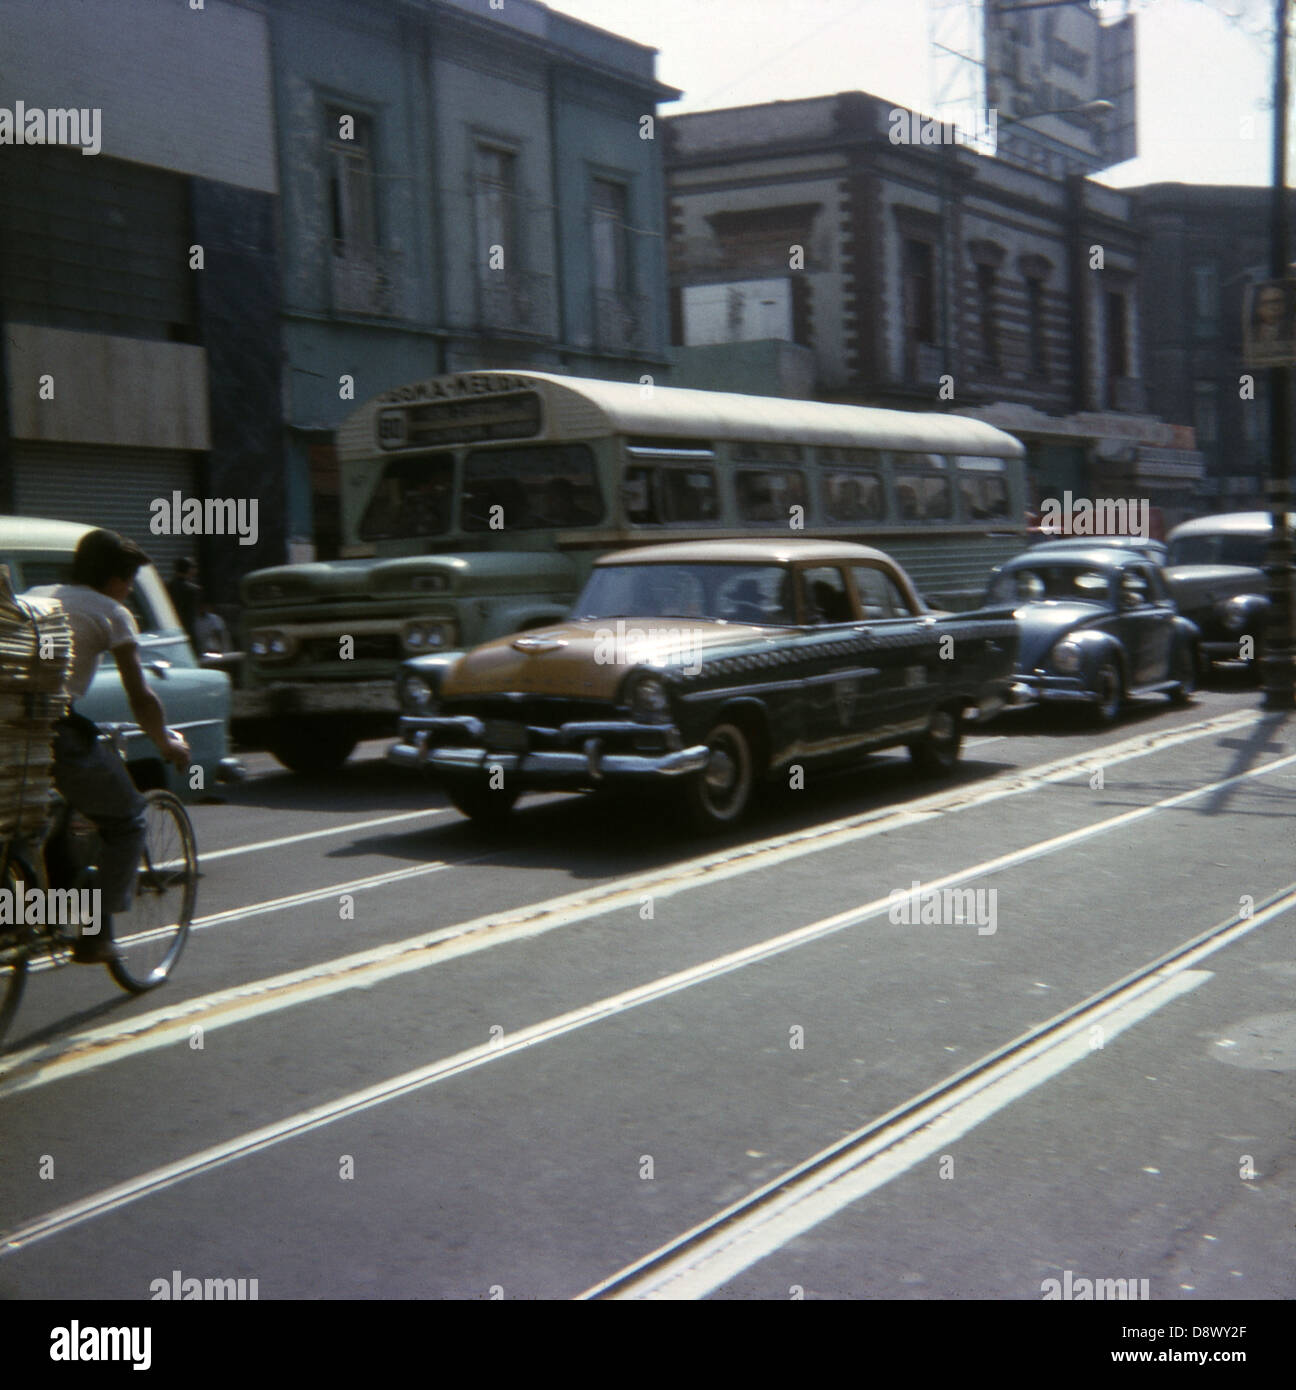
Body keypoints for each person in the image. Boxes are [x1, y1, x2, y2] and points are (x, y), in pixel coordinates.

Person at [26, 530, 191, 962]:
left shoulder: (37, 594)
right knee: (128, 819)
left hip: (11, 729)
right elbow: (140, 697)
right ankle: (94, 932)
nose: (131, 588)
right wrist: (165, 740)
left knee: (38, 819)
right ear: (114, 579)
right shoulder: (112, 612)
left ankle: (36, 907)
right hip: (52, 730)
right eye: (130, 579)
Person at [167, 556, 200, 649]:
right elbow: (191, 616)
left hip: (170, 629)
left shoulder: (168, 587)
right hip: (186, 631)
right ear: (189, 570)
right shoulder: (192, 590)